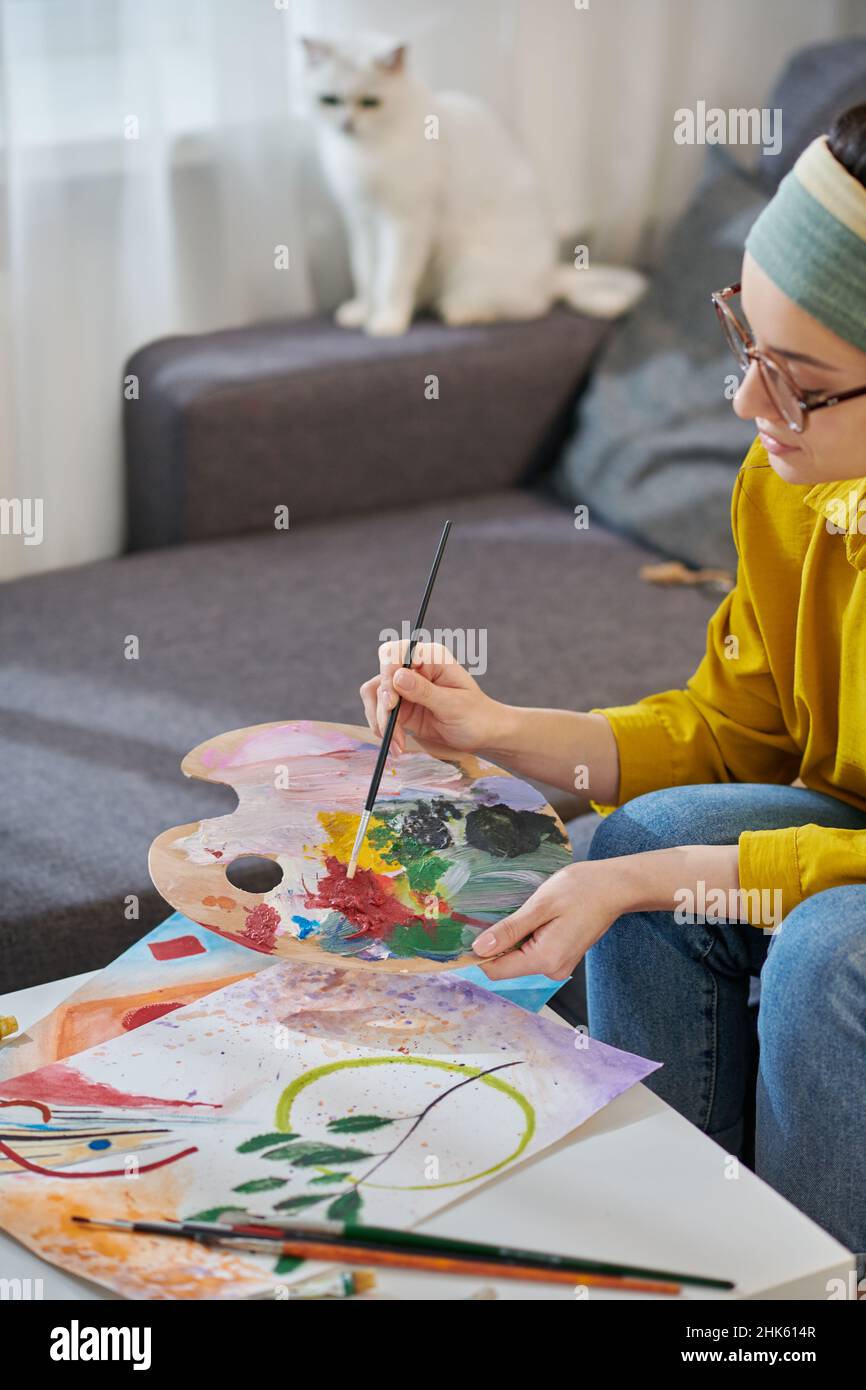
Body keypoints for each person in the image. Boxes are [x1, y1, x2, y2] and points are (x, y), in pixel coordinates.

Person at [359, 106, 866, 1269]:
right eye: (743, 344)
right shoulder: (785, 483)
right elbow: (734, 730)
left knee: (826, 949)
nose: (746, 408)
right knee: (647, 840)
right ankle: (690, 1257)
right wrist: (495, 730)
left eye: (797, 384)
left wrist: (667, 875)